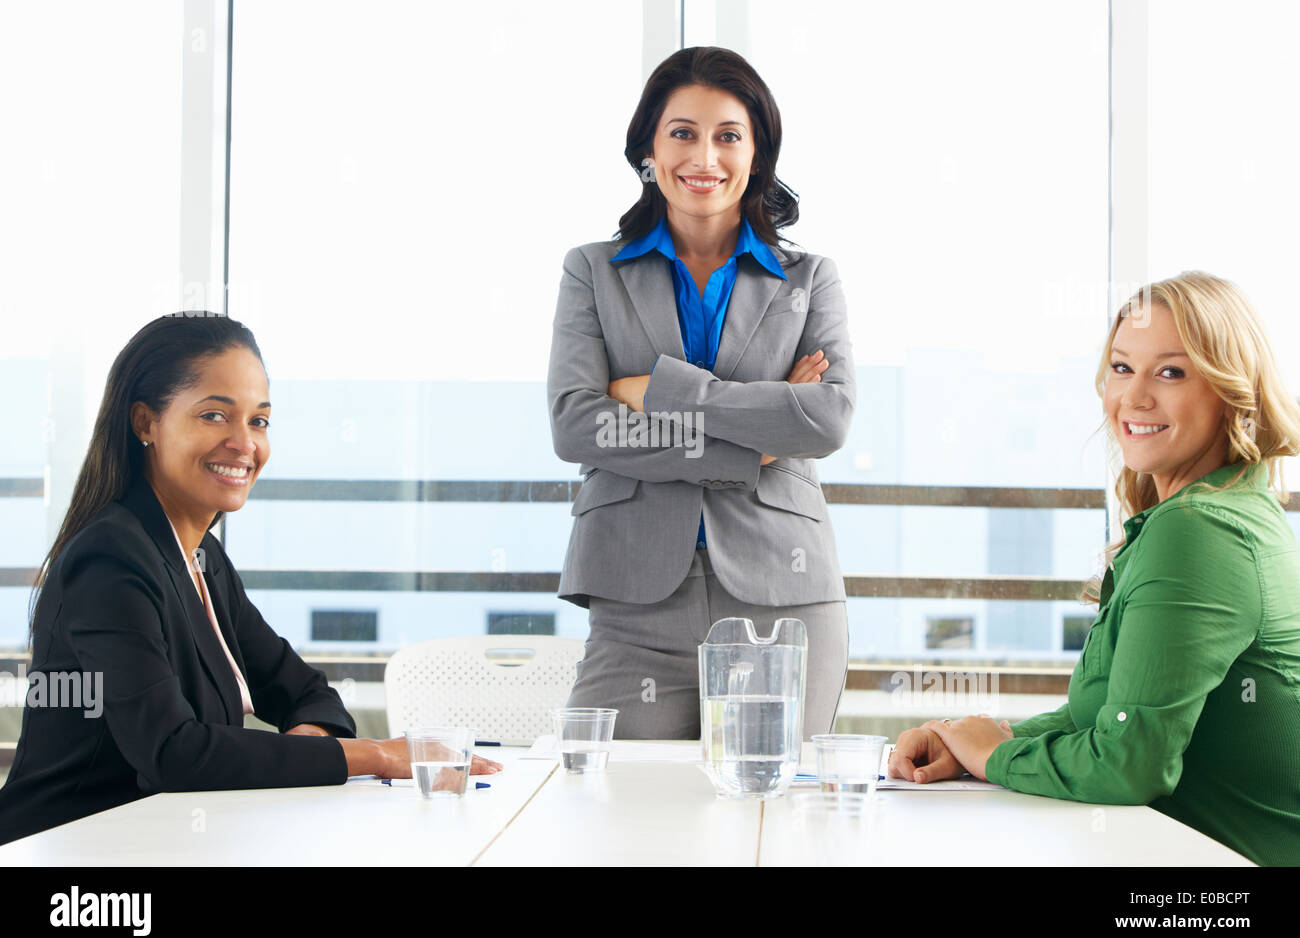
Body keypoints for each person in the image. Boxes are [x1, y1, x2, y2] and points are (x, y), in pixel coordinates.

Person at [0, 312, 500, 845]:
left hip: (170, 843)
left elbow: (309, 694)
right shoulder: (109, 558)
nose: (245, 444)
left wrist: (309, 752)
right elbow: (174, 753)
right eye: (215, 415)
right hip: (74, 857)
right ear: (146, 423)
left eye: (258, 421)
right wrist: (374, 755)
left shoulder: (202, 558)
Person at [888, 272, 1300, 866]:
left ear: (1232, 391)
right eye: (1122, 367)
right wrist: (972, 741)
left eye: (1172, 371)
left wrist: (995, 757)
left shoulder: (1201, 531)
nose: (1133, 398)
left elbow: (1129, 765)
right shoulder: (1226, 509)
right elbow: (1114, 719)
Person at [547, 47, 856, 738]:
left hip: (785, 602)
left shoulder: (810, 278)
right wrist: (756, 438)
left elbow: (826, 419)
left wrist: (661, 390)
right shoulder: (593, 271)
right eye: (683, 133)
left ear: (757, 152)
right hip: (634, 604)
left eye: (728, 136)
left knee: (772, 825)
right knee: (616, 816)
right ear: (648, 149)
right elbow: (576, 425)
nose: (704, 157)